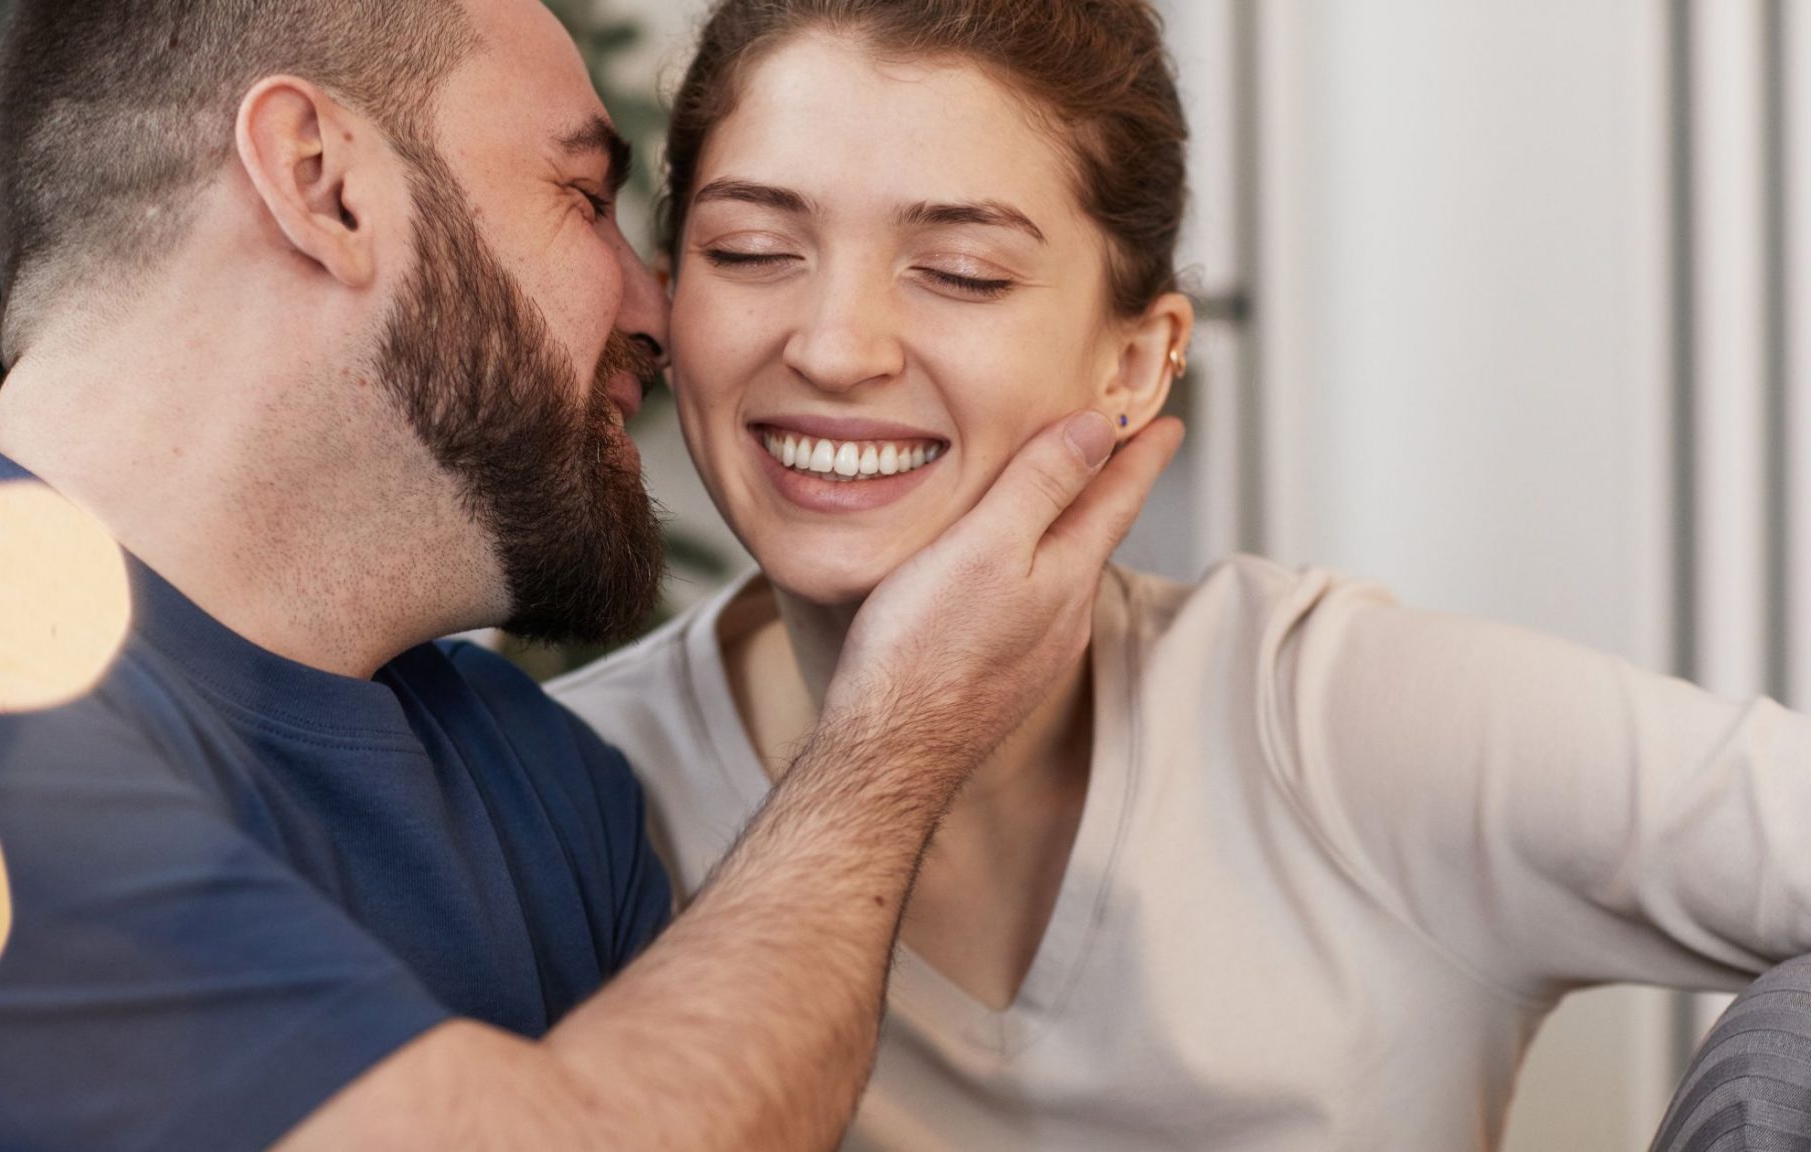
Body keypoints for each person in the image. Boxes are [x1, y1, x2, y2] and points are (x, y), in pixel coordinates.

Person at [0, 0, 1184, 1148]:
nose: (661, 308)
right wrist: (894, 736)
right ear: (321, 183)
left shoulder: (541, 785)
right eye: (582, 195)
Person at [549, 1, 1811, 1148]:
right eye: (751, 249)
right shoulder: (563, 796)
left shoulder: (1342, 729)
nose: (833, 348)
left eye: (962, 272)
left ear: (1135, 363)